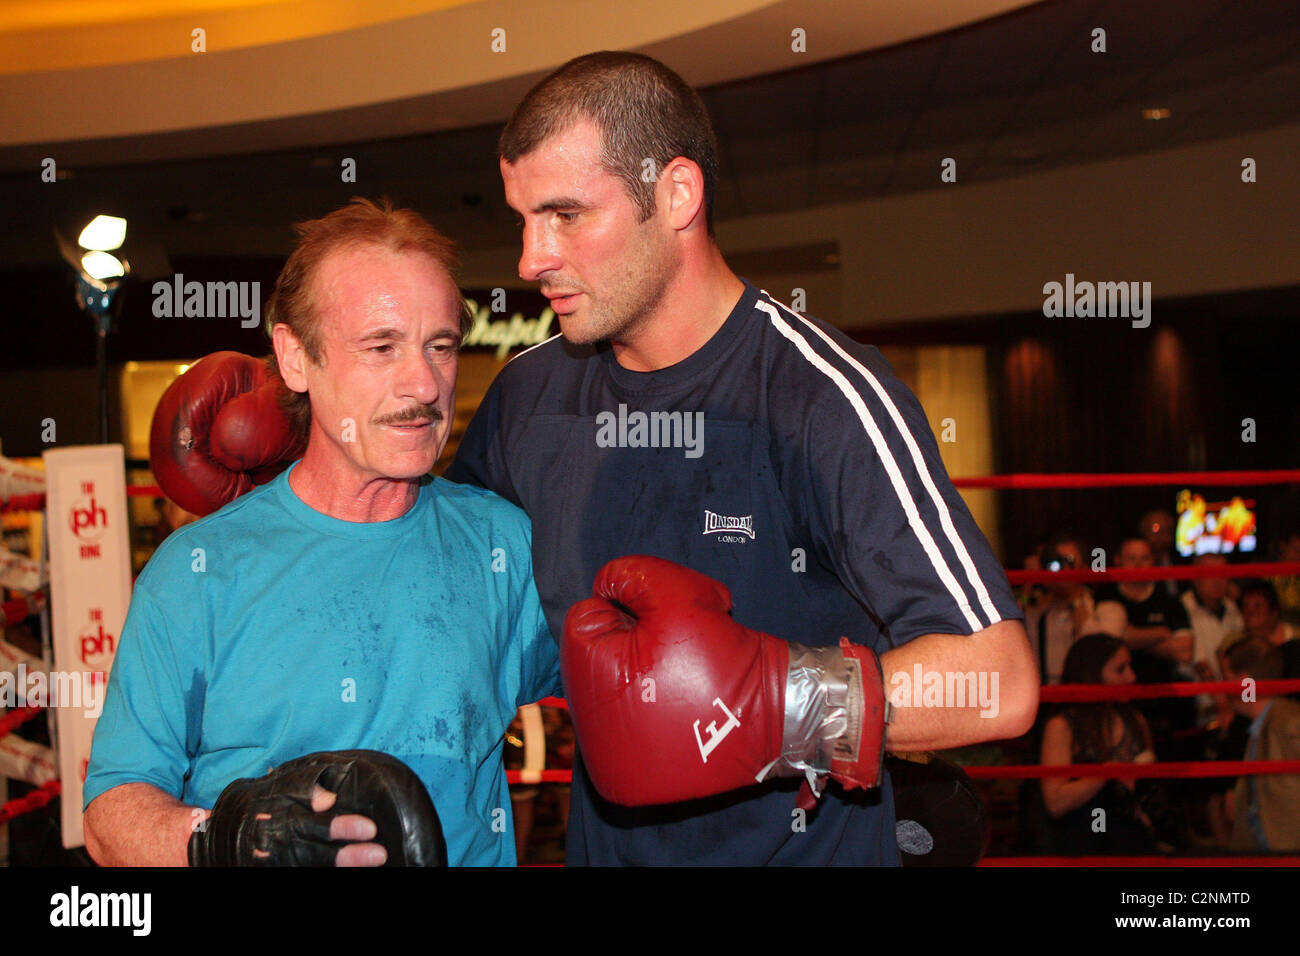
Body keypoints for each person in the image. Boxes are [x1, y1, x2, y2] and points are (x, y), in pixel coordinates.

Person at [445, 51, 1037, 865]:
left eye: (566, 216)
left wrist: (773, 706)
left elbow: (996, 680)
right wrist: (309, 467)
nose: (529, 258)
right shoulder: (528, 399)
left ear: (676, 193)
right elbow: (440, 591)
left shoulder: (819, 396)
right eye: (522, 219)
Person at [83, 198, 560, 866]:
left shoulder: (503, 547)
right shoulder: (196, 573)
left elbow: (628, 696)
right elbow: (110, 817)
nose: (424, 383)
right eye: (381, 347)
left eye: (441, 346)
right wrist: (223, 838)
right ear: (296, 357)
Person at [1038, 633, 1157, 855]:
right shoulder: (1063, 726)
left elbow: (1149, 785)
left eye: (1130, 667)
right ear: (1092, 674)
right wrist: (1105, 773)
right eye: (1120, 669)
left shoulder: (1134, 720)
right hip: (1085, 834)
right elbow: (1055, 802)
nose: (1132, 677)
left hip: (1130, 834)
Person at [1220, 640, 1300, 850]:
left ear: (1246, 684)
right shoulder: (1263, 726)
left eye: (1226, 679)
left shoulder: (1288, 722)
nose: (1222, 689)